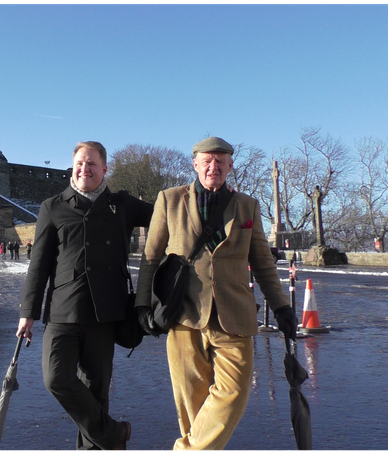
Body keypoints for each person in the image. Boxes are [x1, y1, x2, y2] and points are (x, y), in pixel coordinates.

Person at [135, 137, 297, 451]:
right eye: (207, 161)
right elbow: (151, 256)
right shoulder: (169, 199)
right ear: (195, 164)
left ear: (230, 166)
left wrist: (281, 307)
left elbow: (262, 262)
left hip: (234, 315)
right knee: (192, 406)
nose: (214, 166)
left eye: (221, 161)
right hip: (182, 314)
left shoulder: (247, 205)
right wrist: (142, 301)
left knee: (233, 393)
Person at [16, 141, 153, 451]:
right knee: (56, 379)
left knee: (96, 391)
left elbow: (165, 216)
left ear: (104, 169)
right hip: (63, 310)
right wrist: (29, 312)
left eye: (92, 164)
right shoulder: (53, 206)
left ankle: (96, 447)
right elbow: (39, 264)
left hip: (105, 311)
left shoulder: (122, 204)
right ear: (72, 167)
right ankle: (115, 433)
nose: (84, 168)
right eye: (79, 163)